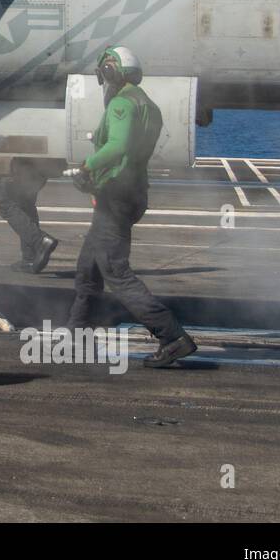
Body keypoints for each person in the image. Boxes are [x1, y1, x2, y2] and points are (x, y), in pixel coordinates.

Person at [65, 46, 198, 368]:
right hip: (130, 192)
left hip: (117, 196)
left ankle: (172, 336)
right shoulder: (147, 104)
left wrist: (86, 167)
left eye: (103, 75)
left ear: (110, 72)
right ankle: (76, 337)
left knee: (115, 271)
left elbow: (118, 146)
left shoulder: (122, 104)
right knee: (89, 270)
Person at [0, 157, 59, 273]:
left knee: (4, 202)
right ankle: (30, 258)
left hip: (18, 166)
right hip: (42, 166)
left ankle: (40, 241)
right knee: (25, 204)